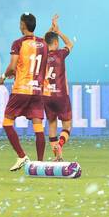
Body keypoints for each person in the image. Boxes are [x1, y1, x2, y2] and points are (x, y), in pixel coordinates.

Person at [0, 13, 48, 171]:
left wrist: (3, 76)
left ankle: (21, 156)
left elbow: (13, 67)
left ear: (22, 25)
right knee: (38, 126)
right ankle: (40, 164)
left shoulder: (18, 43)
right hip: (37, 89)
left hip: (21, 88)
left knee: (7, 122)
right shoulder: (43, 44)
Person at [43, 14, 74, 159]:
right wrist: (59, 31)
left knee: (52, 125)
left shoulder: (41, 55)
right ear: (56, 42)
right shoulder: (60, 54)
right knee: (67, 127)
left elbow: (44, 41)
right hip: (61, 95)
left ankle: (57, 156)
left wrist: (51, 30)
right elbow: (70, 44)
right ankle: (60, 145)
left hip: (47, 96)